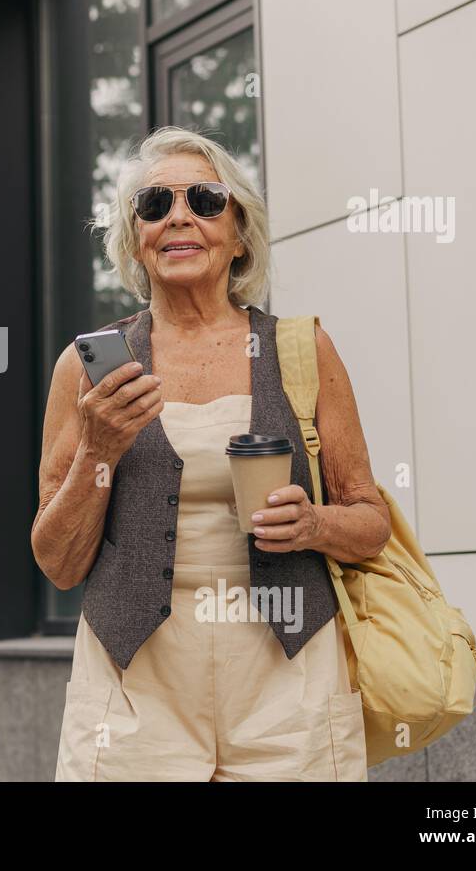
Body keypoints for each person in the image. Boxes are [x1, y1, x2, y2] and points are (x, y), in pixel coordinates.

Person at [33, 126, 392, 781]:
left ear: (239, 233)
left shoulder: (301, 352)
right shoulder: (88, 367)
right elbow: (57, 563)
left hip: (288, 686)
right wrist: (97, 449)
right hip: (133, 693)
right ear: (135, 239)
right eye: (153, 204)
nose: (178, 216)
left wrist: (313, 524)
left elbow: (370, 521)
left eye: (204, 199)